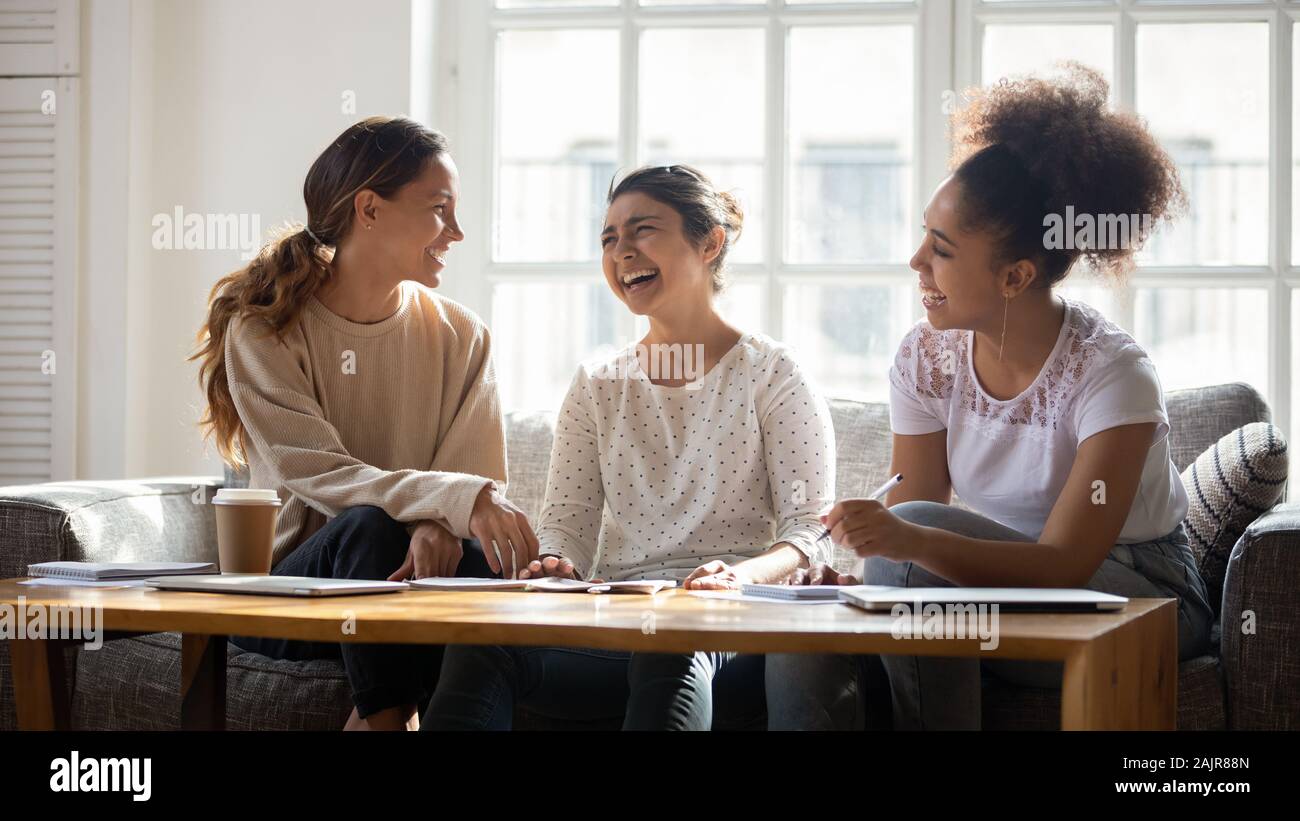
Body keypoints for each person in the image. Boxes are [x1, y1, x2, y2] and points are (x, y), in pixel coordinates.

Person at [777, 64, 1215, 730]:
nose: (916, 260)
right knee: (805, 638)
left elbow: (1064, 562)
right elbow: (912, 515)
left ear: (1015, 275)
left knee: (915, 556)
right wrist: (862, 580)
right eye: (925, 234)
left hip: (1138, 595)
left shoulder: (1114, 373)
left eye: (942, 249)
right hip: (990, 588)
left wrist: (902, 545)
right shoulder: (926, 358)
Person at [422, 165, 838, 731]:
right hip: (616, 621)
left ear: (709, 242)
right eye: (609, 239)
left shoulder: (772, 373)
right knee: (484, 644)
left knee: (672, 642)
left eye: (643, 231)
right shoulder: (598, 383)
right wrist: (555, 563)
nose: (622, 252)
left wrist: (738, 577)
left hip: (729, 628)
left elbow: (809, 532)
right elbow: (567, 522)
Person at [191, 116, 538, 730]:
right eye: (439, 210)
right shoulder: (265, 329)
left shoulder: (462, 335)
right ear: (369, 209)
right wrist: (438, 511)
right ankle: (387, 722)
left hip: (415, 578)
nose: (456, 232)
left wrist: (438, 523)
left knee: (501, 571)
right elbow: (319, 473)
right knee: (368, 530)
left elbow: (473, 477)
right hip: (295, 599)